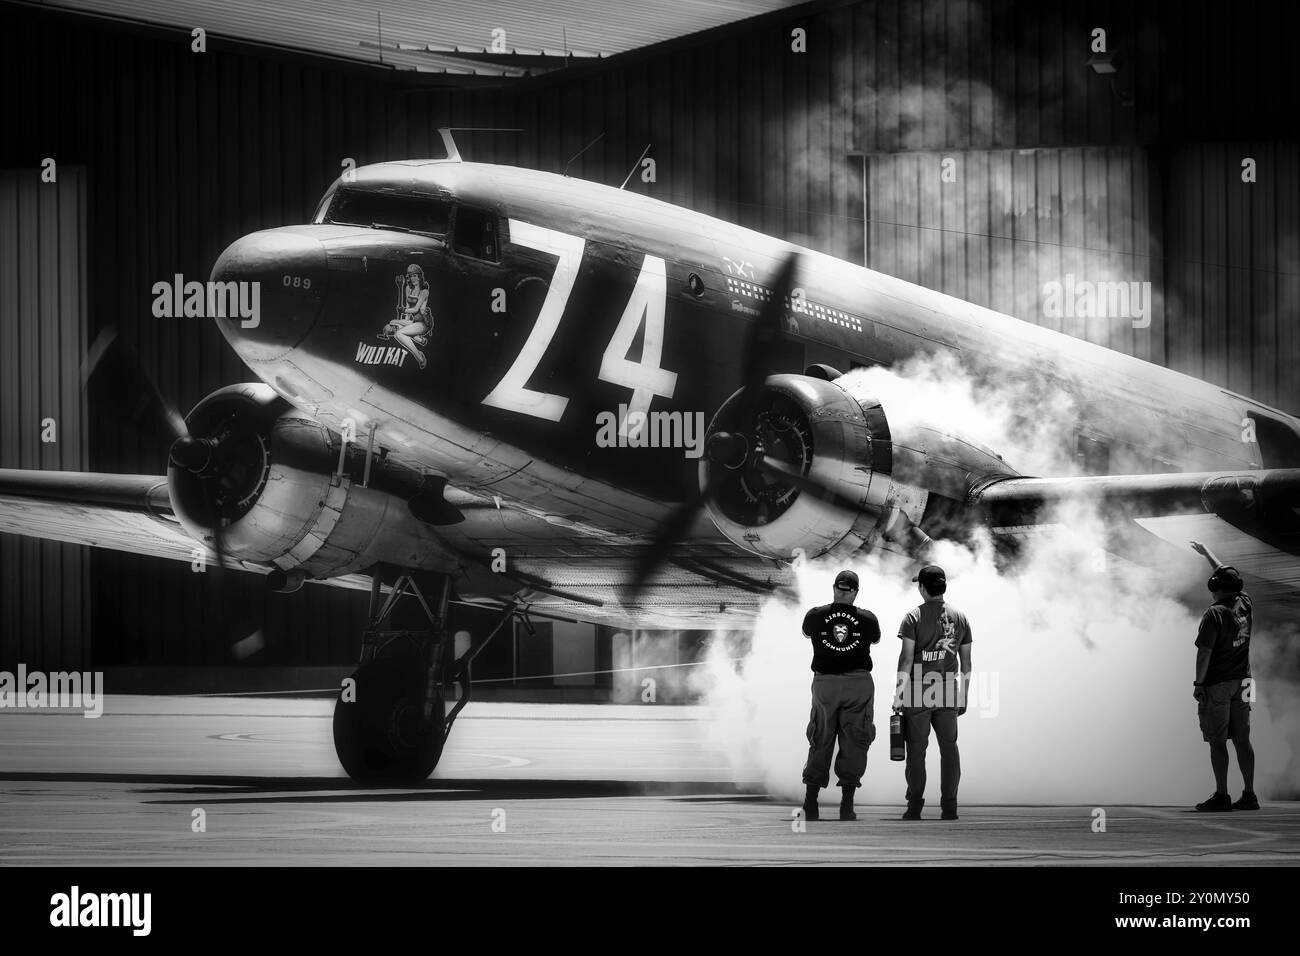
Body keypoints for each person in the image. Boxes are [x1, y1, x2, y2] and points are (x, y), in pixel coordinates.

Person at [891, 564, 972, 821]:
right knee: (949, 749)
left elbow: (906, 659)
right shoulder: (961, 617)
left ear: (923, 588)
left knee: (917, 750)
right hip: (948, 687)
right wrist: (965, 696)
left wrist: (898, 693)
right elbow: (967, 664)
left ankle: (914, 806)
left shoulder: (912, 617)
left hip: (918, 689)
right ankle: (950, 806)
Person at [800, 570, 881, 821]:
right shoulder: (868, 619)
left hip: (825, 683)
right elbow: (876, 640)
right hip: (858, 683)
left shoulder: (815, 615)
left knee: (821, 737)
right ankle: (847, 805)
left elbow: (806, 633)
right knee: (856, 741)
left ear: (834, 588)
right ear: (855, 592)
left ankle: (810, 804)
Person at [1189, 541, 1257, 812]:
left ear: (1214, 586)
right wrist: (1206, 552)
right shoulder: (1245, 602)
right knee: (1243, 738)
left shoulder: (1214, 614)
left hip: (1218, 683)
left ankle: (1222, 794)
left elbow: (1204, 653)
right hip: (1246, 681)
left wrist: (1199, 684)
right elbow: (1227, 573)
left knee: (1217, 741)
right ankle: (1249, 793)